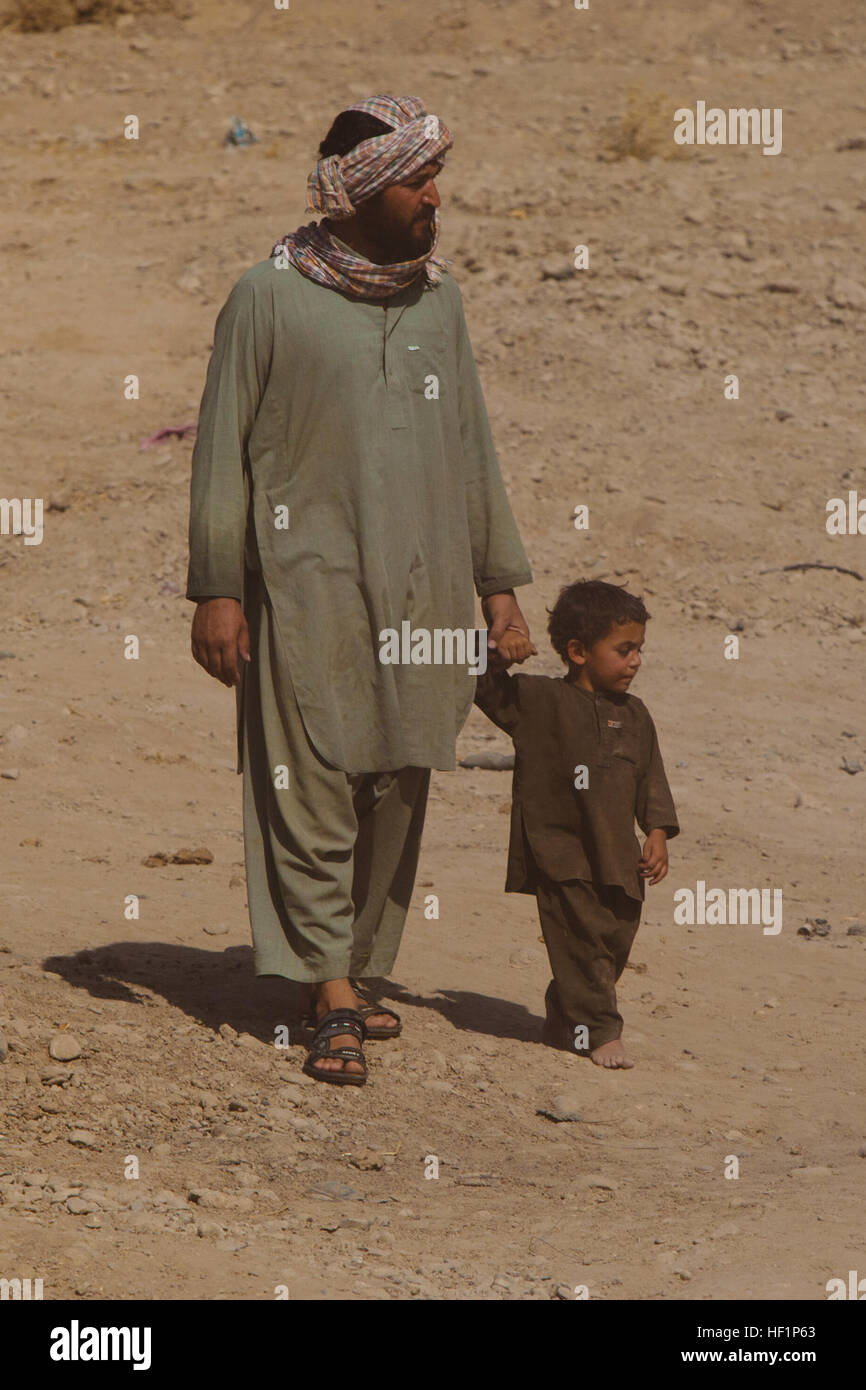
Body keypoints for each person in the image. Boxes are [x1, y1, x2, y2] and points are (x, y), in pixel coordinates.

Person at [186, 95, 533, 1085]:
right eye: (417, 182)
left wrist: (498, 584)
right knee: (306, 777)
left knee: (398, 770)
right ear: (363, 191)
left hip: (424, 582)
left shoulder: (439, 303)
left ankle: (350, 965)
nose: (435, 199)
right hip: (304, 581)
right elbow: (220, 450)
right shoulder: (267, 297)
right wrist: (217, 587)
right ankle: (328, 987)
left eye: (435, 180)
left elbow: (471, 446)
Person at [474, 580, 679, 1069]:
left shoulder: (636, 715)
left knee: (614, 940)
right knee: (582, 939)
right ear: (578, 651)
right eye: (624, 650)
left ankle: (567, 1015)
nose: (636, 661)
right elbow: (482, 686)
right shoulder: (538, 700)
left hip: (617, 855)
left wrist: (656, 832)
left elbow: (650, 776)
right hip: (560, 850)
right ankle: (602, 1031)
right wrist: (498, 654)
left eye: (639, 649)